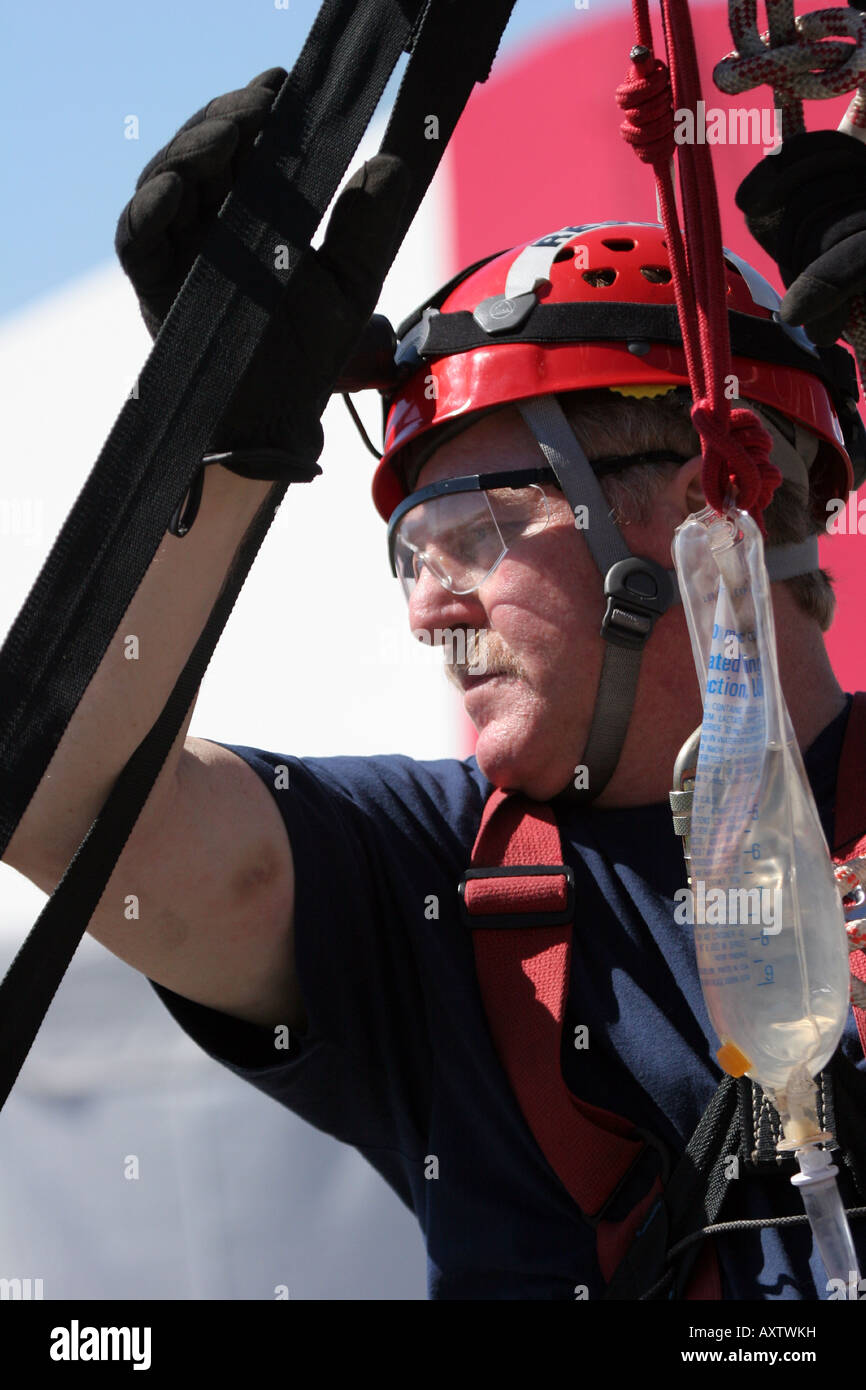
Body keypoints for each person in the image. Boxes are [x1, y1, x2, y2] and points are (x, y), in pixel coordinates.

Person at [4, 70, 866, 1302]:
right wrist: (223, 432)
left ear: (695, 505)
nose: (423, 608)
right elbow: (53, 797)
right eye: (409, 550)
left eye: (470, 531)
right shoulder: (432, 886)